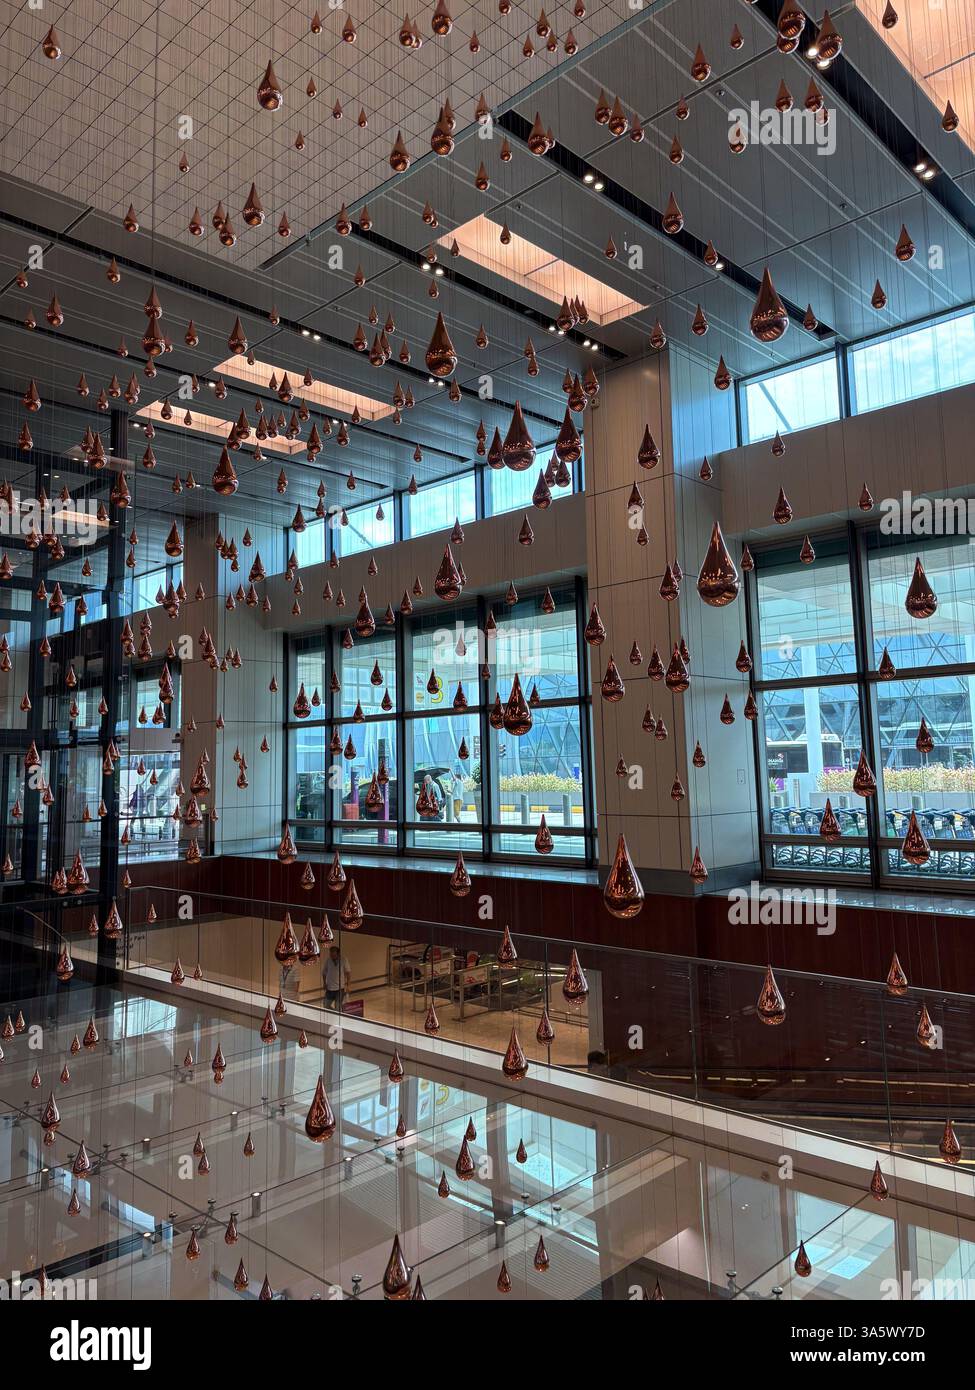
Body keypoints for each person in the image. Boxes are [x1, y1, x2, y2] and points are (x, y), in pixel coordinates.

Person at [323, 946, 351, 1011]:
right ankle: (334, 1015)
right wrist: (324, 983)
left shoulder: (344, 960)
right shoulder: (328, 960)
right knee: (326, 1005)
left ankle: (337, 1016)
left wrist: (348, 986)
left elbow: (348, 973)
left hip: (340, 989)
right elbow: (324, 972)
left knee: (338, 1007)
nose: (331, 956)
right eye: (330, 954)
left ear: (338, 954)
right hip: (329, 988)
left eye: (333, 954)